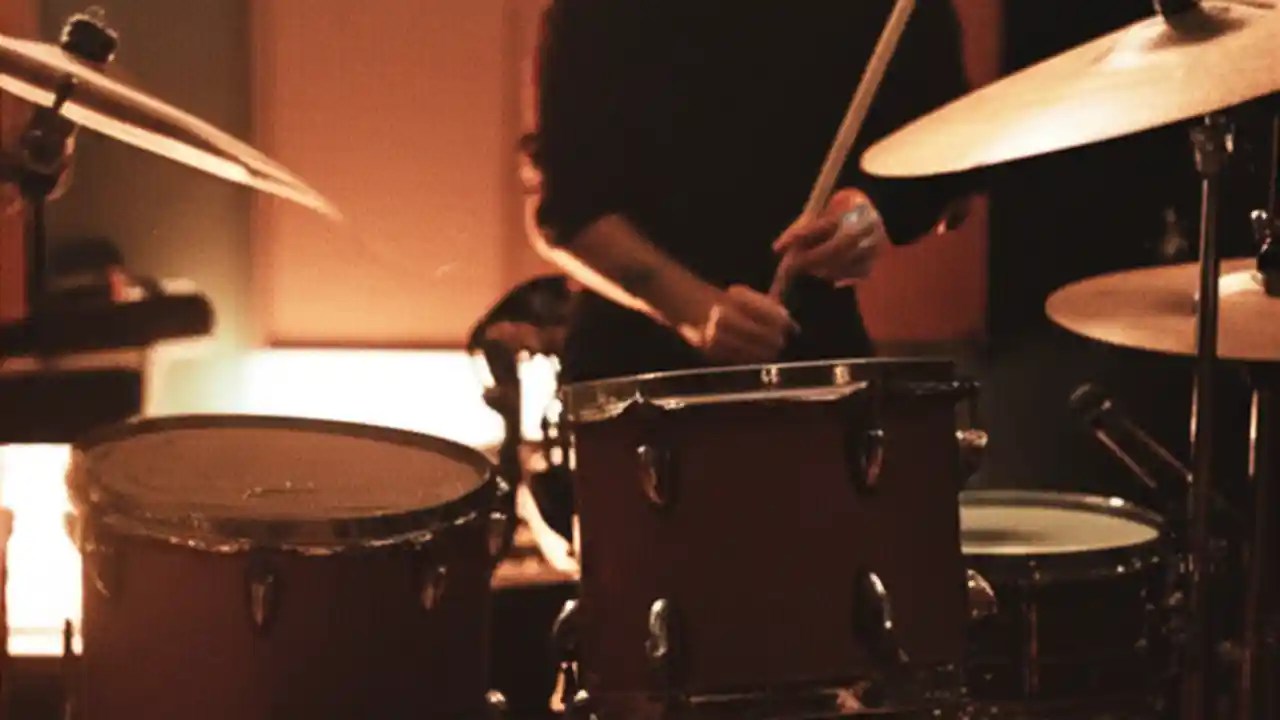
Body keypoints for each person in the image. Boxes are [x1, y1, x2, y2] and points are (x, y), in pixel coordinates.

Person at [528, 0, 973, 383]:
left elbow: (949, 172)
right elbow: (569, 210)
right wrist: (698, 313)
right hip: (633, 373)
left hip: (815, 359)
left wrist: (868, 213)